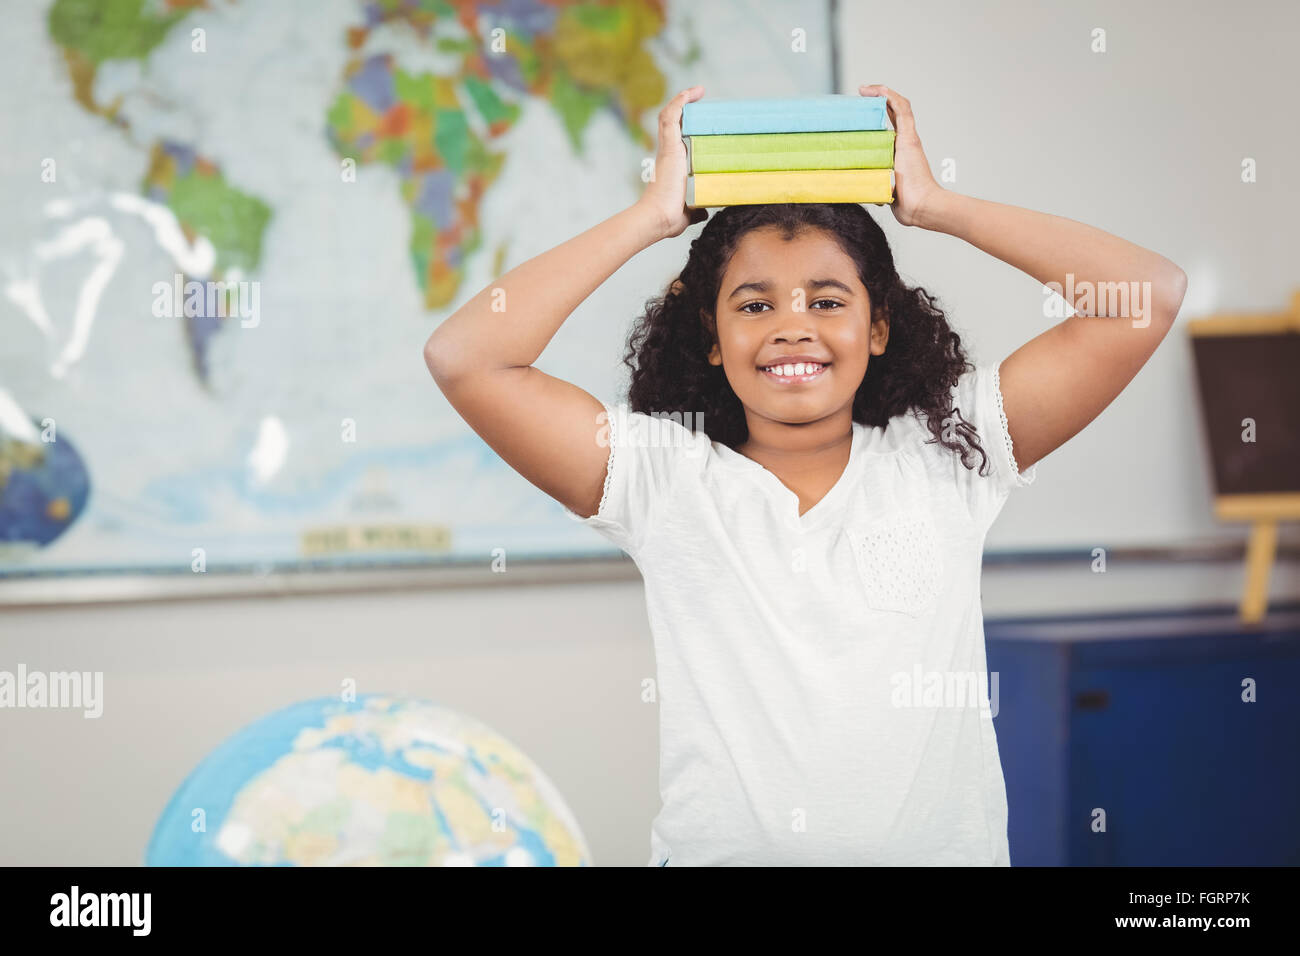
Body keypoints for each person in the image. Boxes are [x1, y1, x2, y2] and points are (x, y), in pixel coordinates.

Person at [423, 83, 1188, 866]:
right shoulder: (663, 475)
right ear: (711, 338)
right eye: (753, 307)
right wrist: (651, 217)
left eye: (828, 300)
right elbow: (466, 358)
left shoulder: (952, 450)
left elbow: (1144, 298)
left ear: (878, 325)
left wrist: (936, 206)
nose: (793, 325)